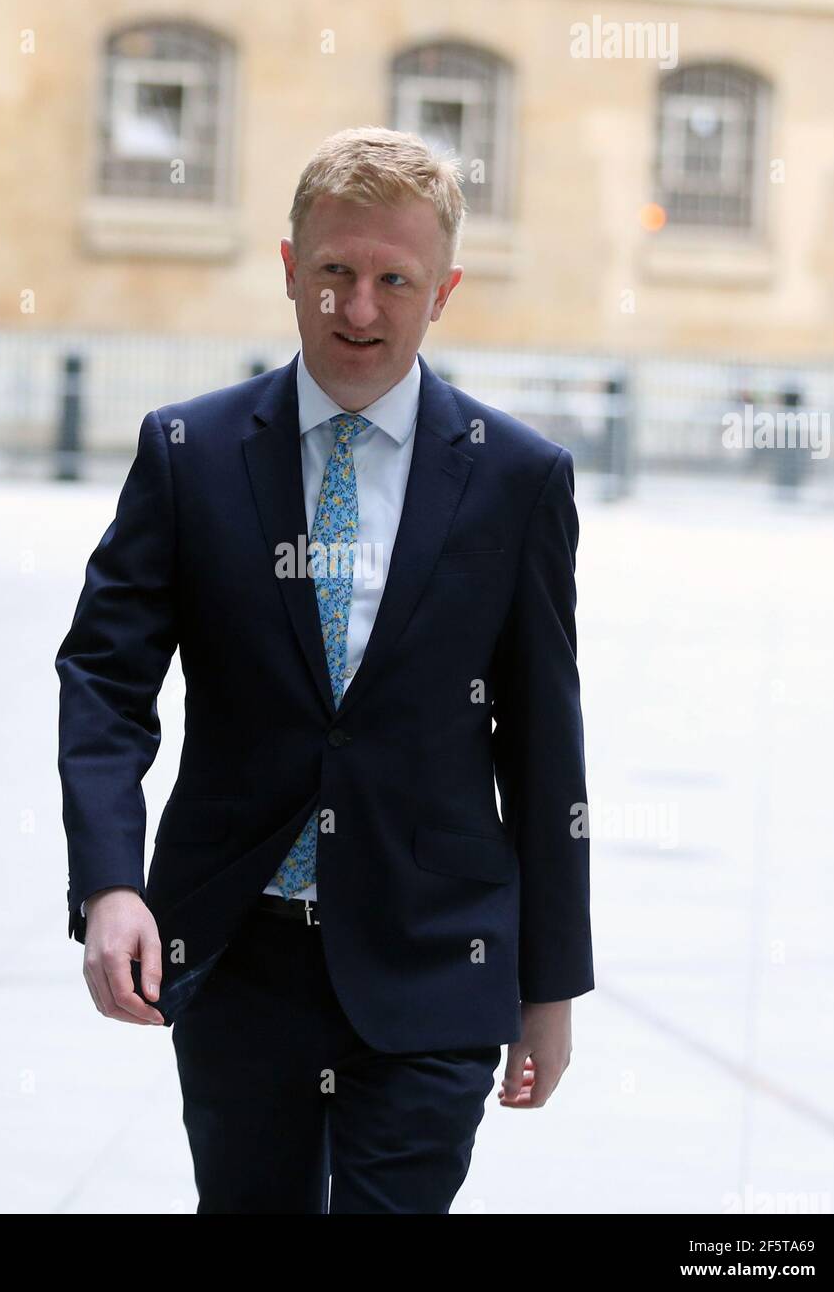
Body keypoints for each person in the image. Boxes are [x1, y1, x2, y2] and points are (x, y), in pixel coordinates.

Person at [55, 125, 594, 1214]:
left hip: (437, 954)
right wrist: (111, 882)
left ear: (441, 290)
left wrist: (550, 985)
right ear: (290, 267)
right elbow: (105, 679)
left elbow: (544, 744)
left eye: (393, 279)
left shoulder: (516, 479)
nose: (359, 310)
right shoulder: (189, 453)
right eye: (336, 273)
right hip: (237, 953)